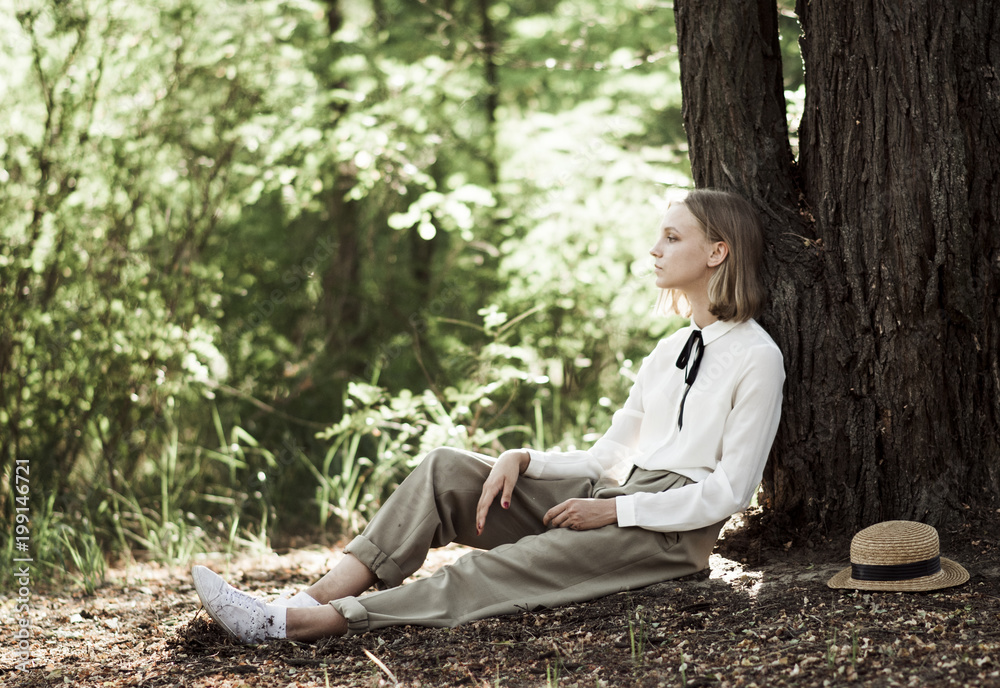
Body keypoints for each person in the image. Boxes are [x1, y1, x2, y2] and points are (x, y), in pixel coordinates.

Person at [191, 188, 786, 644]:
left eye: (671, 238)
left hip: (669, 534)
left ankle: (307, 625)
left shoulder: (757, 357)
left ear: (717, 250)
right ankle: (307, 596)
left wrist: (613, 510)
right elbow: (609, 456)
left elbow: (731, 492)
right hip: (618, 490)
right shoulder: (669, 349)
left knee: (506, 568)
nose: (654, 249)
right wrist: (524, 458)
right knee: (448, 468)